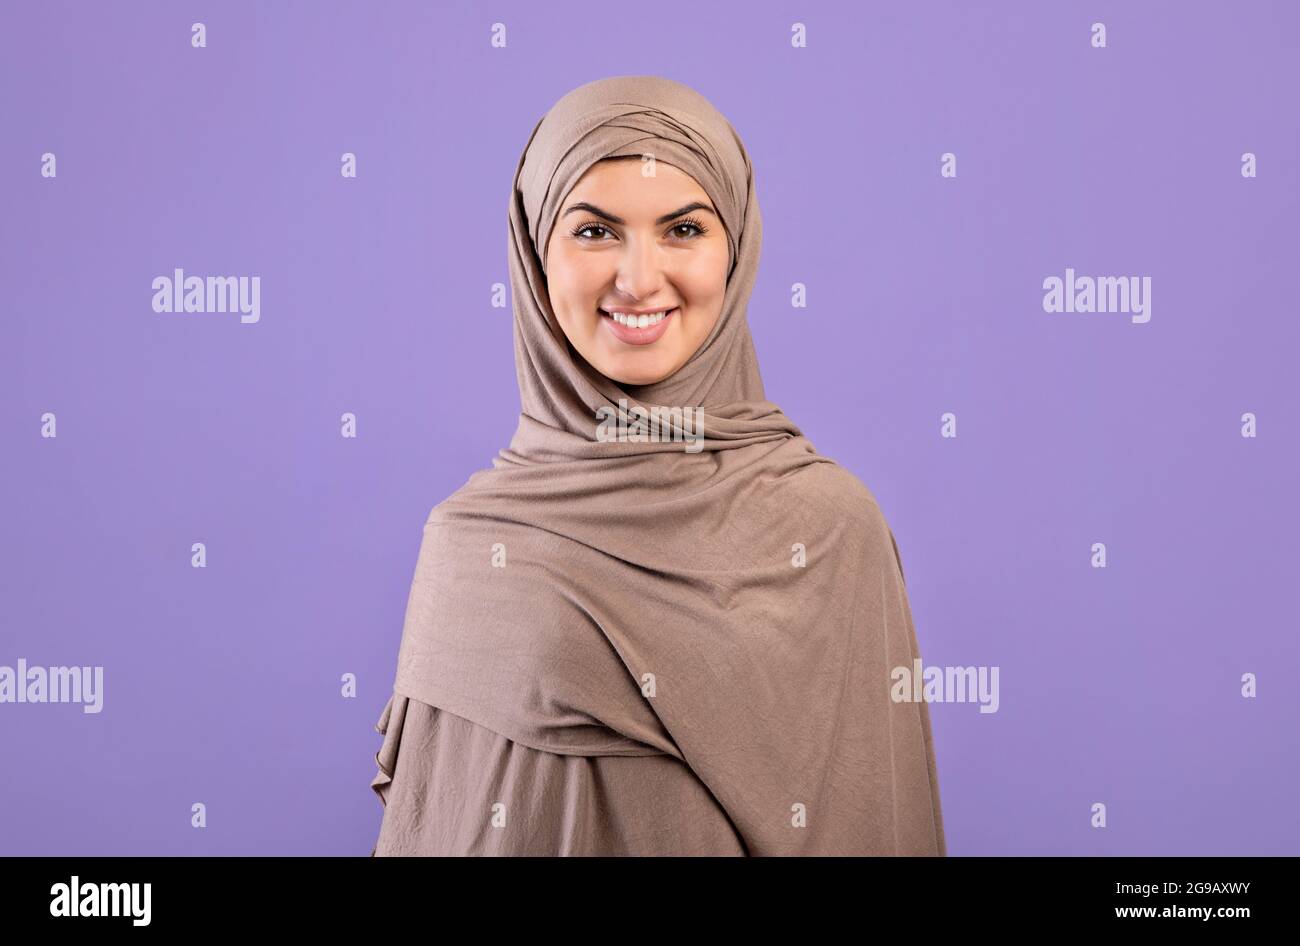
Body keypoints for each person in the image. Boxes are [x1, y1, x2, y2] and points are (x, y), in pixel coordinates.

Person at [370, 75, 945, 856]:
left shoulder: (832, 532)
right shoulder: (472, 545)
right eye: (595, 232)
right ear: (536, 255)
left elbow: (878, 823)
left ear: (736, 249)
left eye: (682, 229)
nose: (639, 279)